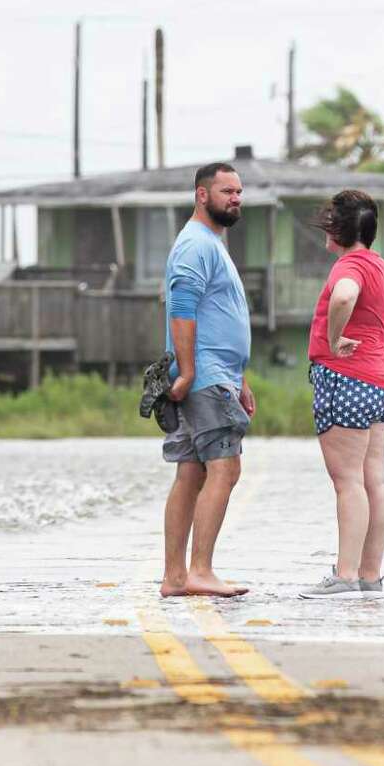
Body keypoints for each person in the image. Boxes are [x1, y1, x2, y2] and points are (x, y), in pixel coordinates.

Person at [299, 189, 384, 598]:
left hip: (346, 379)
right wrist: (382, 324)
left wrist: (335, 339)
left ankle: (346, 574)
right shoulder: (382, 267)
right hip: (382, 382)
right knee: (375, 482)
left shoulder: (348, 266)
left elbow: (345, 295)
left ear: (336, 230)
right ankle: (370, 575)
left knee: (348, 481)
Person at [160, 162, 256, 599]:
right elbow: (182, 306)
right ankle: (199, 570)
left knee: (191, 471)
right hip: (205, 377)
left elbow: (221, 318)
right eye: (226, 191)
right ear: (202, 195)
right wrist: (191, 371)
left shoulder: (210, 244)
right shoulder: (196, 245)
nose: (235, 198)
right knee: (225, 468)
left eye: (238, 192)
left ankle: (176, 577)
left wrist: (241, 378)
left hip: (218, 374)